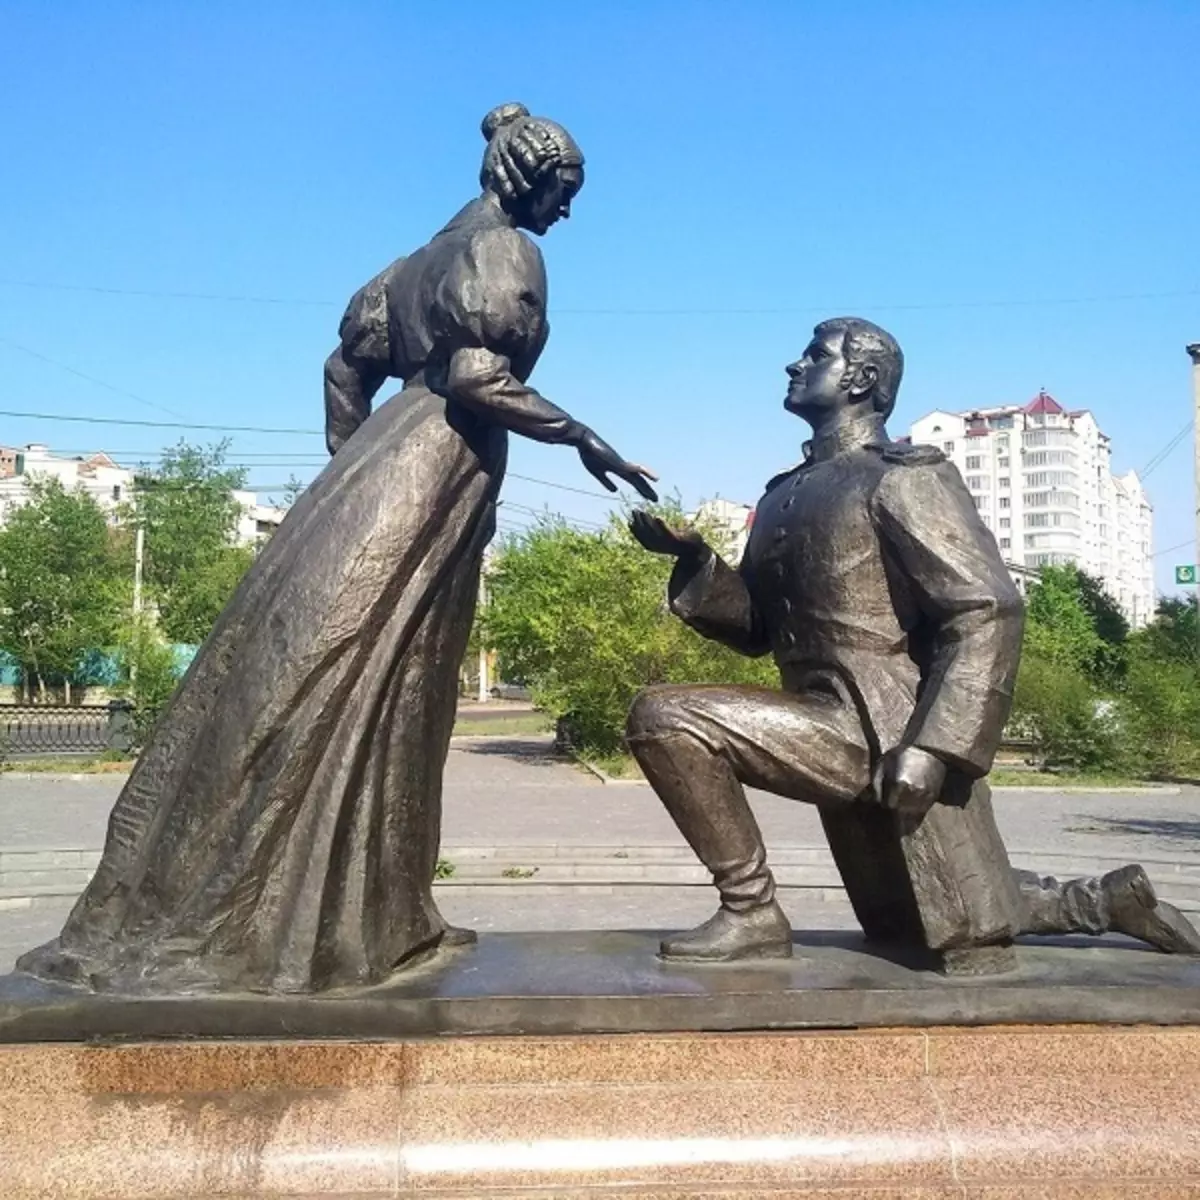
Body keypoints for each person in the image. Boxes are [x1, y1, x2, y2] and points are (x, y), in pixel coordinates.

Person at [18, 103, 656, 996]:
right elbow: (479, 376)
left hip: (381, 466)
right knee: (387, 691)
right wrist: (584, 438)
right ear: (527, 177)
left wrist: (350, 472)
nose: (566, 210)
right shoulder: (508, 252)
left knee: (363, 686)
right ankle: (331, 929)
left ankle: (383, 918)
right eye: (563, 189)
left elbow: (342, 370)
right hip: (437, 466)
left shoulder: (402, 268)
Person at [627, 317, 1200, 968]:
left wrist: (935, 748)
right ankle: (1104, 902)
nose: (795, 365)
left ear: (863, 379)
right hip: (822, 719)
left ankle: (750, 909)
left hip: (888, 726)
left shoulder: (903, 477)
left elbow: (987, 608)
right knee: (935, 915)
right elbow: (761, 629)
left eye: (815, 356)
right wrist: (698, 562)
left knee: (663, 716)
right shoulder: (784, 494)